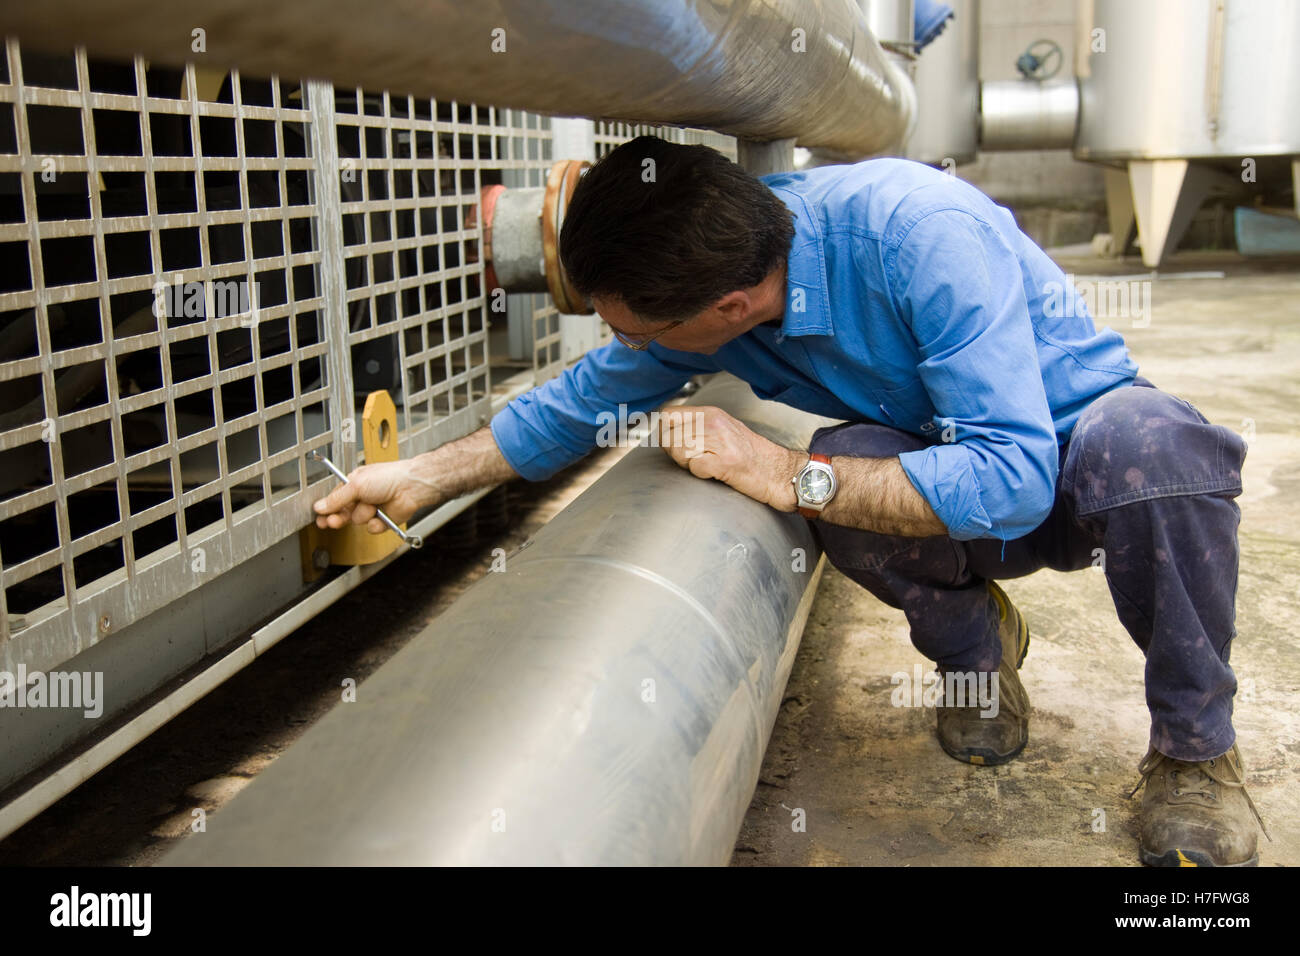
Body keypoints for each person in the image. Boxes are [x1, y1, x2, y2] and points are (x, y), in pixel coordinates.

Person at [313, 135, 1263, 866]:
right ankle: (979, 662)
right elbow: (580, 403)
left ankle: (1194, 750)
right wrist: (421, 478)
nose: (625, 345)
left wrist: (779, 474)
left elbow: (1013, 479)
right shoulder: (709, 280)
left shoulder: (914, 235)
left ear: (723, 310)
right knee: (848, 462)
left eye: (633, 330)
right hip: (949, 473)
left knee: (1155, 448)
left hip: (1071, 464)